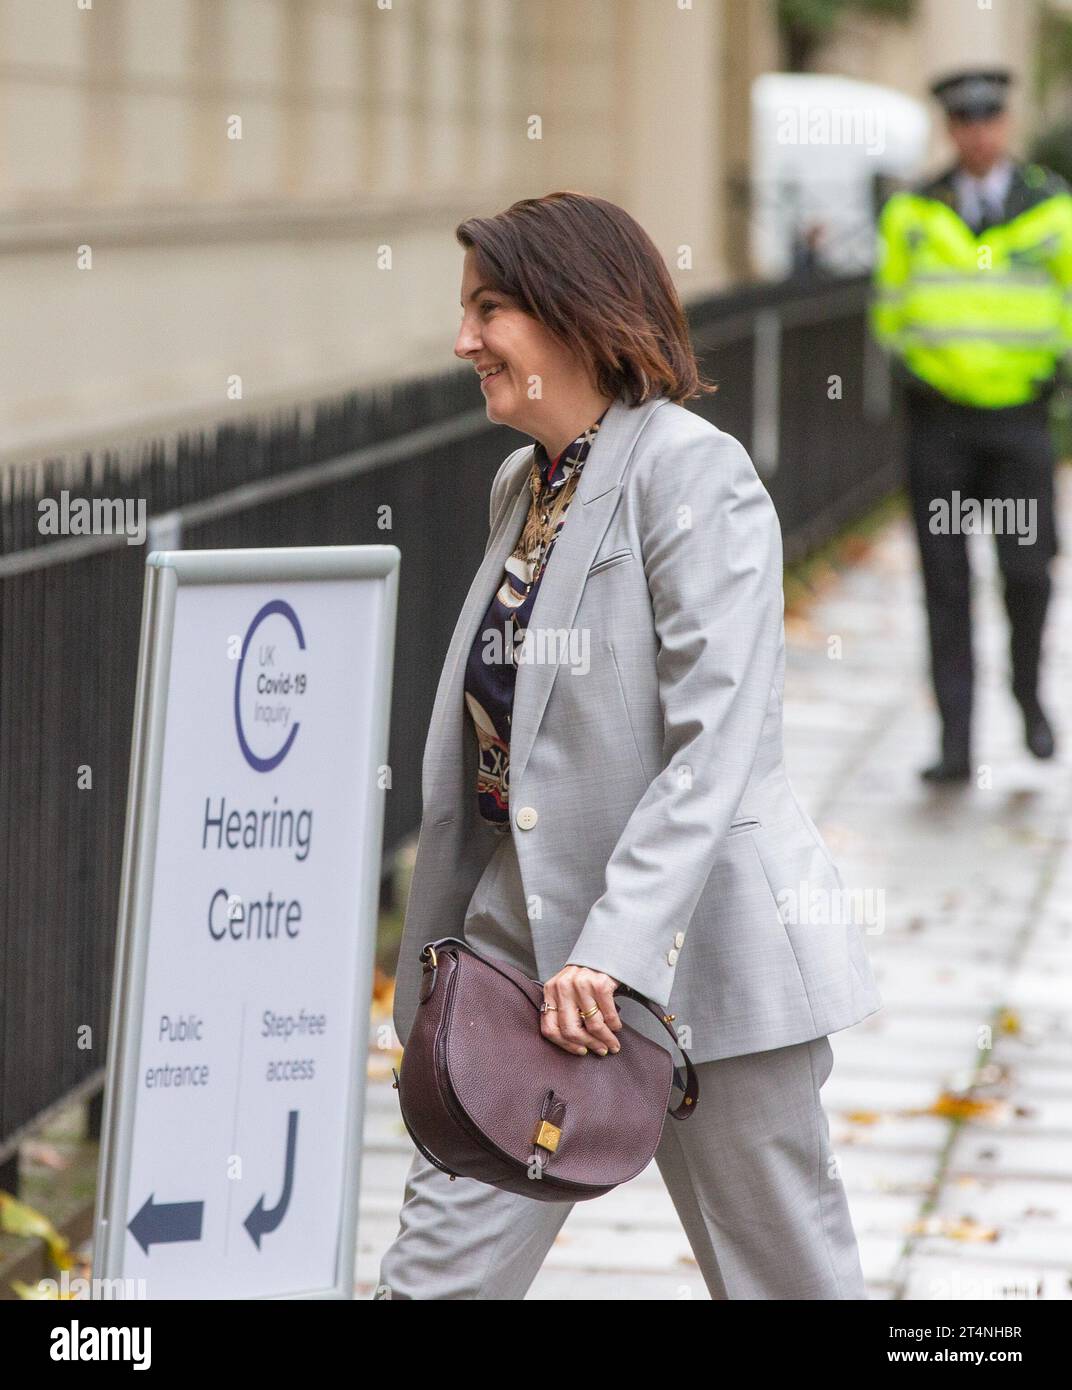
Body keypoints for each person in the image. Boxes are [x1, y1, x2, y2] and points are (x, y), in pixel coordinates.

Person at [376, 191, 882, 1301]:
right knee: (431, 1283)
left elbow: (716, 740)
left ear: (574, 311)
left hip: (696, 960)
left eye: (490, 309)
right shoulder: (527, 482)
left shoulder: (693, 474)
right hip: (524, 960)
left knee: (786, 1281)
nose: (465, 340)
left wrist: (610, 946)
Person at [871, 68, 1072, 782]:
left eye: (988, 119)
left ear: (1005, 124)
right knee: (945, 584)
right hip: (941, 427)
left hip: (1020, 423)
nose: (978, 133)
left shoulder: (1051, 206)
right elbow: (889, 310)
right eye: (964, 121)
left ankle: (1028, 695)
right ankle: (956, 741)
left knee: (1028, 574)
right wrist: (918, 372)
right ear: (951, 129)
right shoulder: (915, 211)